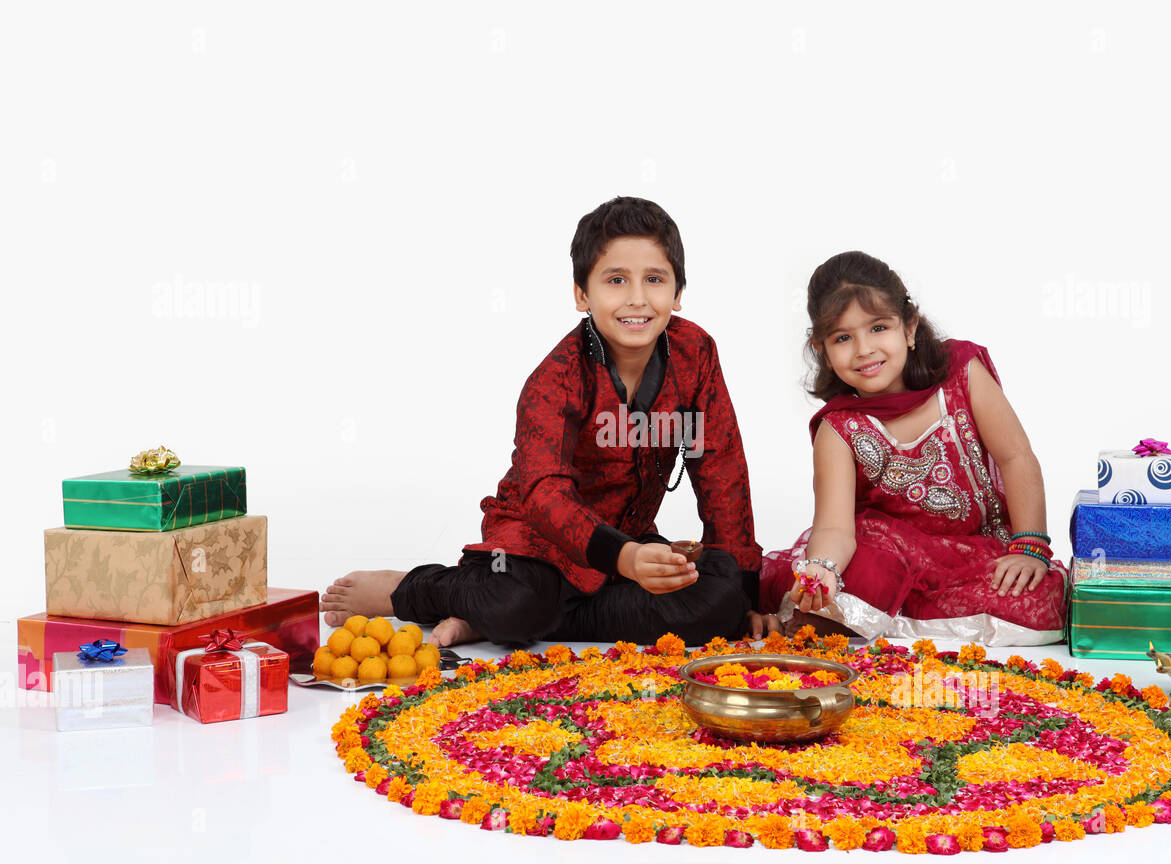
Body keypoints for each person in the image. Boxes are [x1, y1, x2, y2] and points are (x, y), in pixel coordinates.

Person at [323, 197, 768, 647]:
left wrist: (746, 595)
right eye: (616, 280)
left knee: (723, 601)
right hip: (537, 545)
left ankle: (515, 616)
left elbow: (721, 468)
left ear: (676, 294)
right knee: (516, 601)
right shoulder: (556, 378)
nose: (637, 298)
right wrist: (627, 560)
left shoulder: (696, 352)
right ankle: (423, 589)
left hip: (625, 544)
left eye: (654, 279)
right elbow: (544, 493)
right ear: (582, 294)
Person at [758, 251, 1067, 645]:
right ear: (821, 349)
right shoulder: (839, 427)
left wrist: (1030, 546)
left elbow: (1016, 458)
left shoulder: (962, 374)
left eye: (878, 328)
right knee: (850, 573)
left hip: (973, 553)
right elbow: (836, 527)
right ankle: (858, 613)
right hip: (888, 554)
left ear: (909, 328)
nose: (864, 349)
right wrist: (823, 569)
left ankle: (879, 621)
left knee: (1040, 597)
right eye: (843, 338)